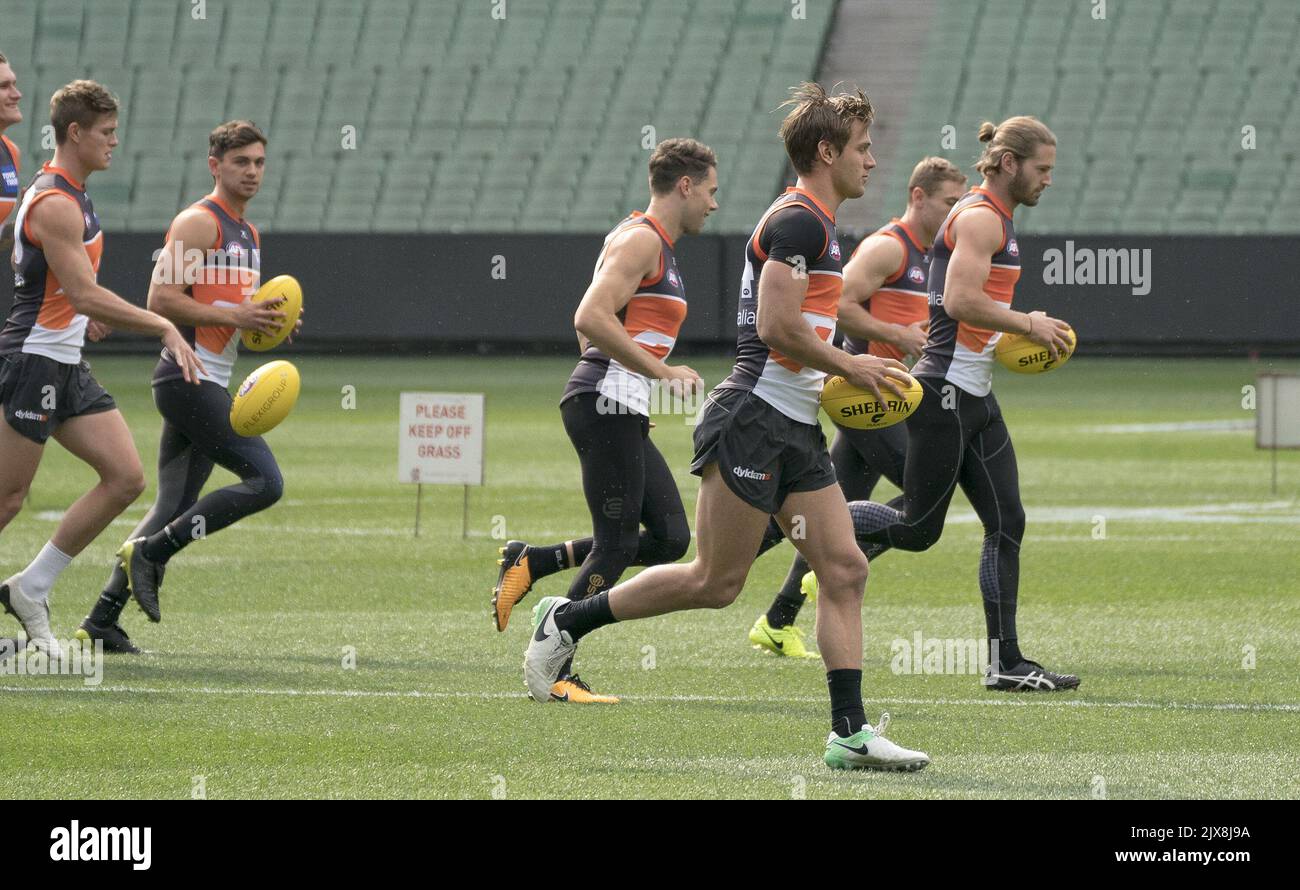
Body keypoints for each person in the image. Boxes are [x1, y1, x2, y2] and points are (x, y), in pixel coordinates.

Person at [524, 83, 930, 771]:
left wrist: (844, 363)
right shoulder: (799, 220)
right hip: (753, 419)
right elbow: (776, 328)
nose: (872, 160)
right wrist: (853, 367)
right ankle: (566, 618)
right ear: (826, 152)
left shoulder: (819, 225)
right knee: (715, 582)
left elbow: (800, 327)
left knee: (844, 566)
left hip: (793, 426)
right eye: (862, 148)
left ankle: (849, 735)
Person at [846, 116, 1080, 692]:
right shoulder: (978, 217)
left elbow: (974, 310)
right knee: (918, 528)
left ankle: (1006, 663)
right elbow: (959, 300)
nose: (1048, 180)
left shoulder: (996, 219)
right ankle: (809, 515)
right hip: (945, 395)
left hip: (975, 395)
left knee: (1007, 522)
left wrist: (1007, 340)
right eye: (1042, 168)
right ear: (1008, 163)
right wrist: (1029, 322)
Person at [493, 138, 717, 703]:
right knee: (616, 544)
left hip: (616, 402)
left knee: (669, 536)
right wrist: (658, 373)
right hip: (603, 400)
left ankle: (536, 560)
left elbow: (593, 326)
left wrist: (636, 390)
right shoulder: (643, 238)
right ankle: (552, 668)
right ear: (685, 186)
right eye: (711, 191)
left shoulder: (640, 237)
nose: (715, 205)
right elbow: (588, 317)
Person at [0, 80, 204, 655]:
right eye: (107, 133)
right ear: (75, 133)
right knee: (8, 499)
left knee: (125, 478)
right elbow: (85, 294)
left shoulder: (77, 193)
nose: (116, 142)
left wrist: (77, 315)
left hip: (64, 360)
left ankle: (31, 588)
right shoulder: (57, 202)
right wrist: (162, 324)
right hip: (33, 363)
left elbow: (68, 293)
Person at [76, 120, 296, 652]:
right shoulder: (198, 222)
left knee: (172, 503)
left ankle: (101, 620)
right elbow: (160, 300)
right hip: (186, 376)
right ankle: (153, 553)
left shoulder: (249, 233)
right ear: (214, 165)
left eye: (259, 162)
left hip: (208, 377)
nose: (252, 172)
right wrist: (238, 313)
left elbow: (229, 312)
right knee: (266, 483)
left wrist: (266, 320)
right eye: (240, 161)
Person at [749, 156, 968, 658]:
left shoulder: (936, 253)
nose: (955, 214)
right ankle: (836, 554)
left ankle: (778, 620)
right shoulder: (890, 247)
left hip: (885, 401)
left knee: (821, 503)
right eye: (948, 203)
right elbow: (837, 303)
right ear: (918, 197)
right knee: (922, 495)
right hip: (862, 391)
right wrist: (894, 335)